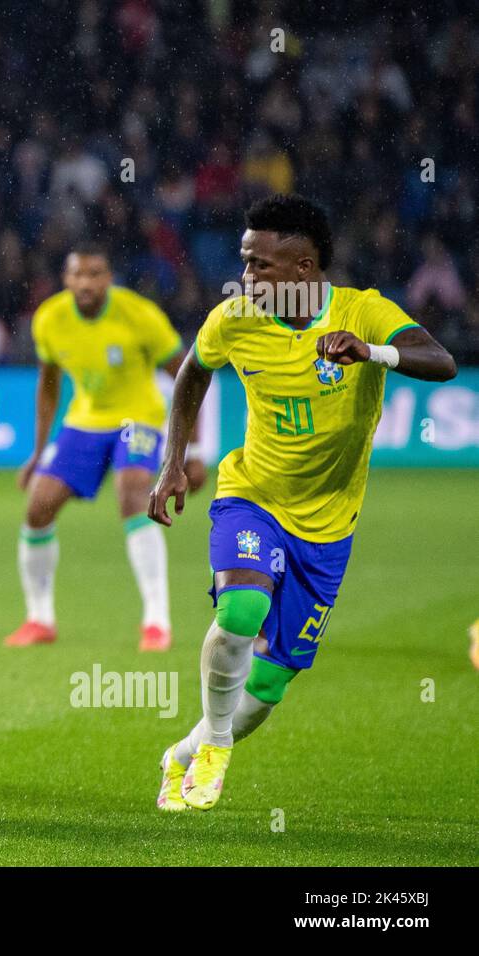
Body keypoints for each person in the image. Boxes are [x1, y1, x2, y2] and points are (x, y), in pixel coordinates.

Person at [149, 194, 456, 811]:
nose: (246, 277)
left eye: (261, 265)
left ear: (304, 269)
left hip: (328, 522)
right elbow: (193, 374)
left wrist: (373, 353)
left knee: (267, 684)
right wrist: (173, 462)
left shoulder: (362, 312)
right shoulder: (233, 318)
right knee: (240, 608)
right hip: (252, 493)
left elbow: (441, 361)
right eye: (245, 261)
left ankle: (182, 753)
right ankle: (214, 748)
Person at [6, 244, 205, 652]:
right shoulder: (50, 319)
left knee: (132, 493)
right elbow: (48, 387)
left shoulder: (139, 315)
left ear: (108, 278)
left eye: (95, 274)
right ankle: (40, 619)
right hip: (85, 420)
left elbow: (190, 376)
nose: (85, 282)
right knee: (37, 508)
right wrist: (37, 452)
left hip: (139, 417)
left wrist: (194, 452)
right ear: (66, 279)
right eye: (77, 274)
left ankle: (156, 621)